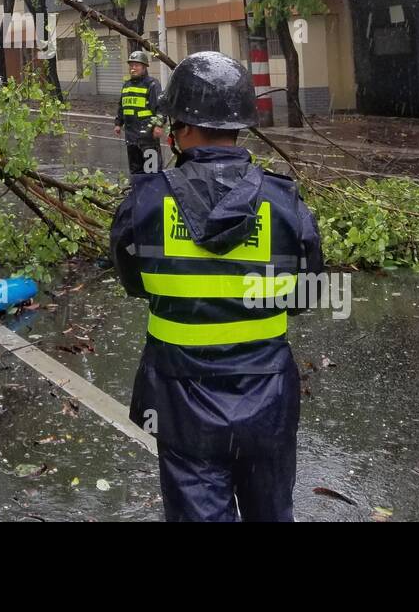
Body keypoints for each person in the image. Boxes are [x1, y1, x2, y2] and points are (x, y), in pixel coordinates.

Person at [110, 51, 324, 522]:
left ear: (180, 129)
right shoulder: (284, 201)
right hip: (268, 398)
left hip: (181, 403)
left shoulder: (145, 203)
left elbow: (135, 283)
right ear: (239, 126)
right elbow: (309, 293)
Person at [115, 50, 164, 174]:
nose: (133, 68)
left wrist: (158, 125)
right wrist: (118, 123)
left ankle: (153, 193)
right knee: (136, 172)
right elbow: (122, 106)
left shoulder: (152, 84)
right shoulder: (126, 85)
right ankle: (137, 191)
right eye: (131, 65)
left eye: (136, 65)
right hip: (131, 138)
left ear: (144, 67)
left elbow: (160, 107)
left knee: (152, 172)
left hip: (147, 139)